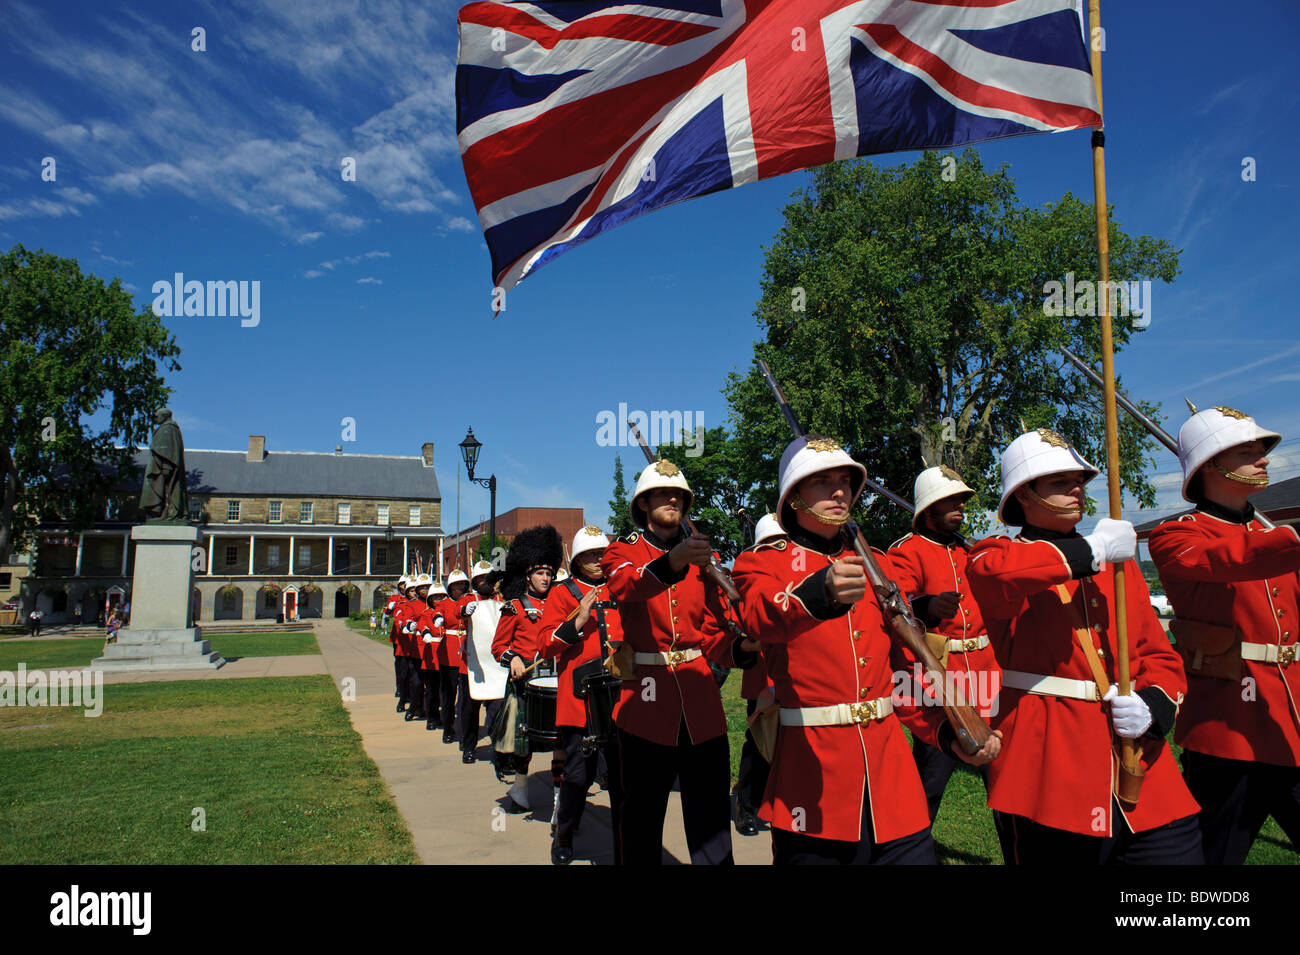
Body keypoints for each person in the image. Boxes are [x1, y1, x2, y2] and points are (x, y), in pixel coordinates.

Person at [733, 436, 998, 864]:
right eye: (821, 482)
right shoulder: (765, 561)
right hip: (812, 779)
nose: (839, 491)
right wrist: (820, 592)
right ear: (794, 494)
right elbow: (758, 615)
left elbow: (903, 672)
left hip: (892, 779)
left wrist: (947, 732)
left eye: (845, 481)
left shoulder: (881, 564)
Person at [967, 427, 1202, 864]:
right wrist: (1091, 550)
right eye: (1059, 480)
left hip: (1140, 764)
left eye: (1078, 479)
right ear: (1023, 494)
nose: (1076, 488)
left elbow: (1156, 653)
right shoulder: (996, 552)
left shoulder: (1117, 565)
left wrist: (1153, 703)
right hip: (1050, 765)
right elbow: (999, 574)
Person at [1148, 404, 1300, 864]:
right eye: (1249, 451)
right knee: (1214, 856)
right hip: (1226, 726)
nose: (1265, 458)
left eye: (1261, 449)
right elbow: (1233, 558)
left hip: (1289, 719)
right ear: (1211, 465)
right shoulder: (1174, 535)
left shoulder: (1267, 530)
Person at [600, 459, 755, 865]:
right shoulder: (623, 550)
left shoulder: (707, 556)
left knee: (711, 822)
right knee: (641, 818)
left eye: (680, 496)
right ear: (642, 503)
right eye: (662, 495)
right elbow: (625, 585)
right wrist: (675, 561)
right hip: (645, 706)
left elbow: (714, 630)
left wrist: (741, 649)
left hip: (700, 700)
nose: (673, 499)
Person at [888, 465, 1007, 855]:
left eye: (960, 500)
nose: (959, 506)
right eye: (949, 501)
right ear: (927, 507)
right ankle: (911, 850)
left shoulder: (971, 550)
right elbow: (896, 609)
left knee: (1003, 777)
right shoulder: (905, 551)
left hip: (987, 673)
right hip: (942, 677)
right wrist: (927, 606)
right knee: (931, 777)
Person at [538, 525, 625, 865]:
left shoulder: (620, 588)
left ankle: (624, 838)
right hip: (580, 698)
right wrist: (578, 622)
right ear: (576, 560)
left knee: (621, 775)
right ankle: (564, 832)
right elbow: (545, 644)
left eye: (602, 554)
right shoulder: (562, 594)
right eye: (590, 555)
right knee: (578, 774)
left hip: (620, 696)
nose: (598, 561)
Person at [492, 525, 564, 812]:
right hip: (526, 682)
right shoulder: (514, 607)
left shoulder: (561, 605)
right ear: (528, 575)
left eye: (549, 574)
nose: (545, 578)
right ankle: (520, 787)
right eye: (540, 573)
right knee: (525, 742)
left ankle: (560, 798)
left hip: (557, 680)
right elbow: (498, 647)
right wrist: (515, 659)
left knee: (560, 739)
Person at [733, 513, 784, 838]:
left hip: (799, 677)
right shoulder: (750, 579)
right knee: (759, 746)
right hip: (763, 676)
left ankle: (781, 804)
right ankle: (747, 806)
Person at [460, 560, 504, 767]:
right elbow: (455, 614)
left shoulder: (502, 599)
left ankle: (499, 749)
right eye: (480, 579)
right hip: (472, 665)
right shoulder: (468, 600)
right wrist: (463, 611)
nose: (485, 582)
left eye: (488, 578)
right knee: (469, 711)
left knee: (497, 711)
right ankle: (468, 747)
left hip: (497, 664)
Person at [385, 577, 408, 701]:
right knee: (399, 664)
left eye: (406, 584)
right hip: (398, 636)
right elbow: (387, 612)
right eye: (402, 584)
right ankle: (399, 687)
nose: (404, 586)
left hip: (410, 636)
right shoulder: (395, 598)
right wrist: (390, 608)